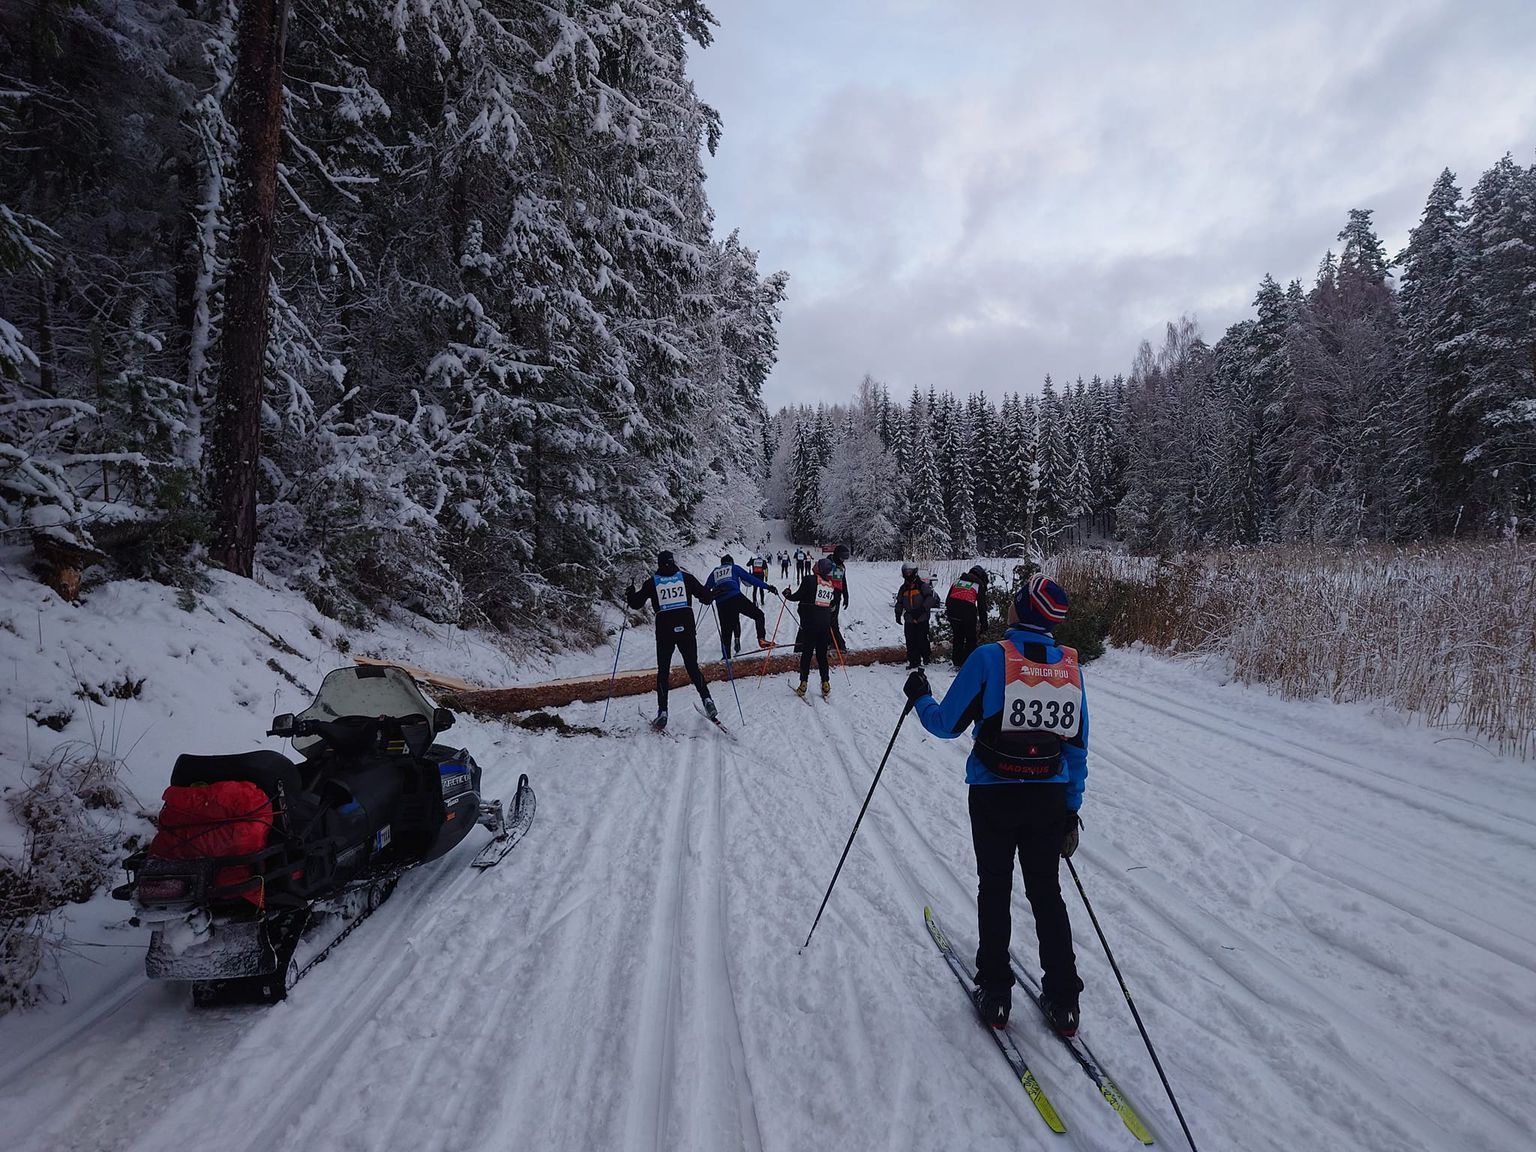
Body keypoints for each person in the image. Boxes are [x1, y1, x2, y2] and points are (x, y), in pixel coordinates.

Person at [902, 573, 1087, 1037]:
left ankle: (996, 992)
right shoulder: (1069, 667)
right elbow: (1077, 746)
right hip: (1047, 794)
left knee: (995, 887)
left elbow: (946, 724)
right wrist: (1070, 809)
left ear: (1021, 611)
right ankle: (1064, 999)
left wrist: (920, 695)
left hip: (994, 792)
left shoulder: (991, 658)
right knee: (1046, 892)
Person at [625, 551, 718, 730]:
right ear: (673, 562)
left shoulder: (652, 582)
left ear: (659, 564)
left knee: (663, 671)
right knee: (692, 666)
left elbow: (636, 603)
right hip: (686, 627)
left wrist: (630, 593)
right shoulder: (685, 578)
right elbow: (706, 598)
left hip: (665, 630)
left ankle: (663, 711)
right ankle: (707, 699)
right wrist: (713, 593)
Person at [704, 554, 777, 660]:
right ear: (731, 562)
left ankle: (726, 658)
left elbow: (705, 589)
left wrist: (708, 597)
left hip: (721, 602)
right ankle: (761, 639)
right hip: (735, 597)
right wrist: (768, 587)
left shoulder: (715, 571)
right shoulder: (734, 567)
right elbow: (750, 579)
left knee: (726, 630)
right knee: (758, 615)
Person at [784, 556, 838, 698]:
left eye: (817, 564)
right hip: (824, 625)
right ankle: (825, 683)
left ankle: (803, 684)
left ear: (819, 568)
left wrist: (787, 594)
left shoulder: (809, 579)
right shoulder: (830, 584)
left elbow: (797, 596)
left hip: (809, 624)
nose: (814, 564)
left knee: (807, 654)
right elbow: (831, 604)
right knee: (822, 655)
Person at [894, 563, 942, 669]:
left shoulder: (922, 585)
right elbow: (899, 602)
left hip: (922, 617)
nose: (908, 574)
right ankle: (913, 662)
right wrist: (897, 613)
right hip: (909, 618)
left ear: (914, 572)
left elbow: (930, 598)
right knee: (910, 641)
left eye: (910, 572)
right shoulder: (903, 588)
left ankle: (926, 657)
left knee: (922, 639)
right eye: (906, 572)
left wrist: (922, 609)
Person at [945, 567, 986, 666]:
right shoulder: (978, 584)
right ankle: (968, 662)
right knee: (970, 639)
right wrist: (984, 624)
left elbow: (947, 599)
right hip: (967, 614)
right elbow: (982, 607)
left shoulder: (957, 581)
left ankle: (957, 661)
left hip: (952, 612)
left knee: (958, 637)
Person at [827, 544, 851, 655]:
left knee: (833, 621)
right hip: (826, 596)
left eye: (845, 558)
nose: (843, 560)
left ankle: (838, 644)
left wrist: (846, 596)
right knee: (826, 621)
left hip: (836, 597)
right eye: (842, 557)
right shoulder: (828, 563)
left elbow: (843, 581)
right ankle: (832, 642)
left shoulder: (841, 566)